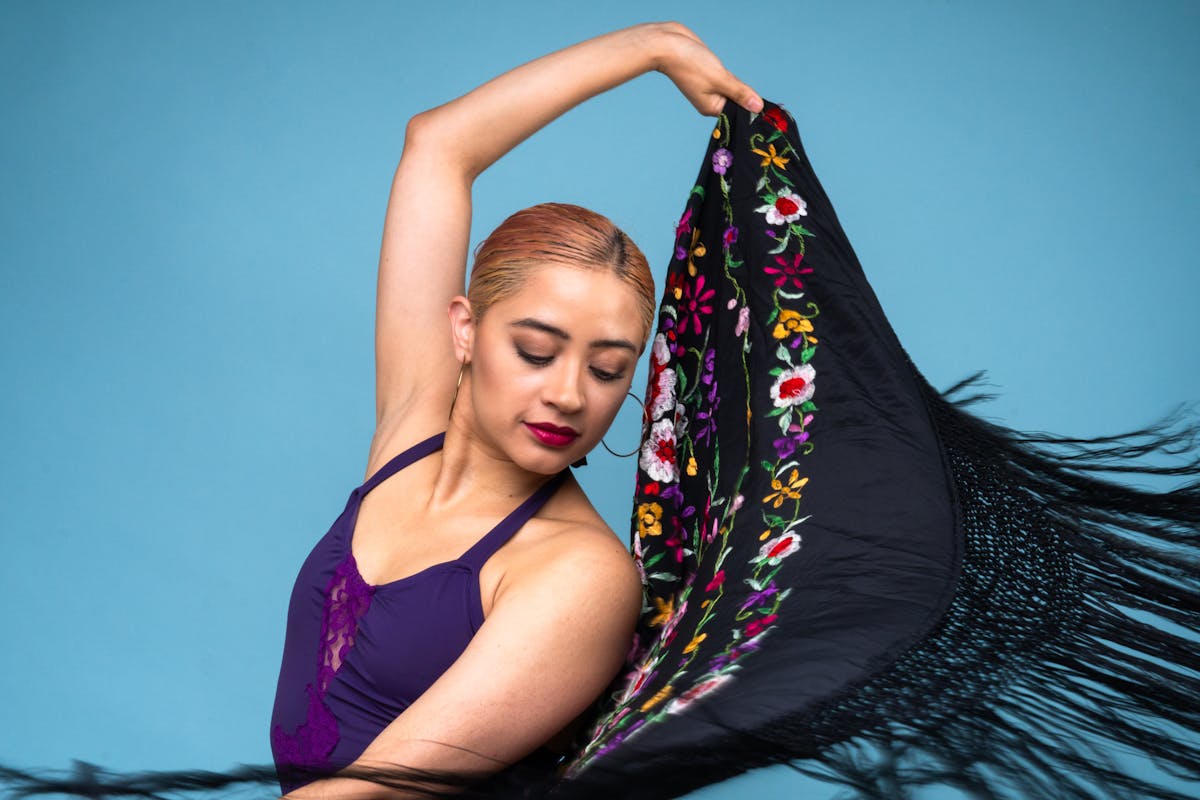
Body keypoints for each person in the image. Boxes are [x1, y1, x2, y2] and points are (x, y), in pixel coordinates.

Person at [268, 22, 764, 798]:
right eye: (536, 351)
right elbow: (437, 145)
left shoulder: (579, 579)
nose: (570, 394)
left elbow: (375, 793)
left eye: (608, 369)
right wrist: (652, 47)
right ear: (463, 329)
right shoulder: (413, 424)